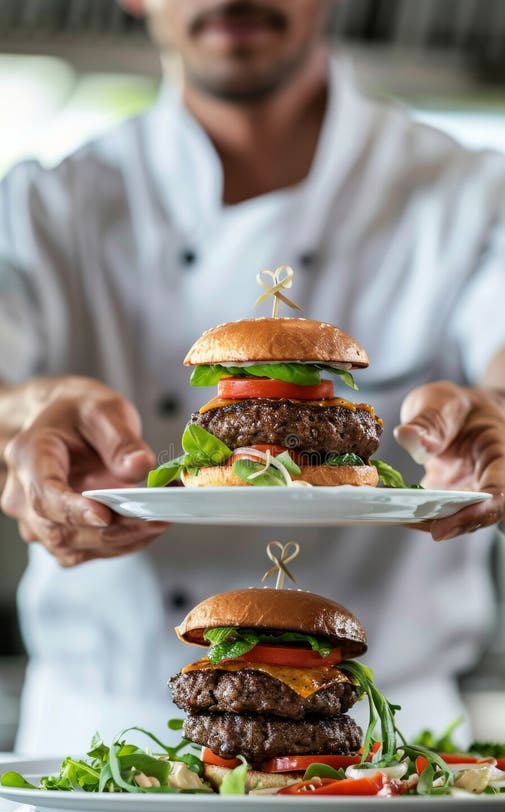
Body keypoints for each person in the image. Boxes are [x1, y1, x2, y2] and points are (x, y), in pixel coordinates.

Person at [1, 0, 505, 753]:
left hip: (385, 737)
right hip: (97, 727)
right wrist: (36, 414)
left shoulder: (470, 190)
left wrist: (491, 414)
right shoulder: (47, 201)